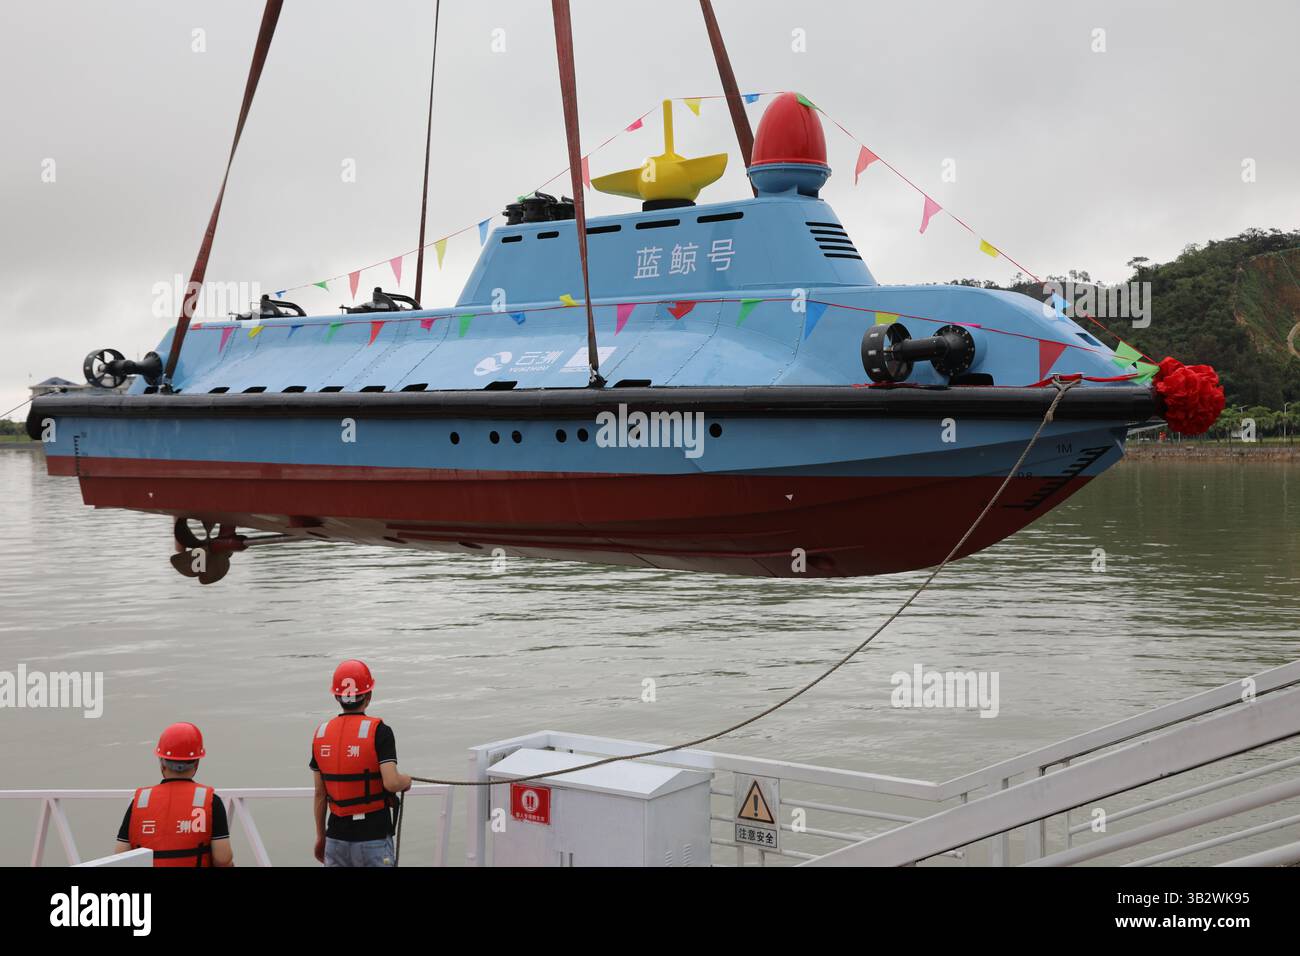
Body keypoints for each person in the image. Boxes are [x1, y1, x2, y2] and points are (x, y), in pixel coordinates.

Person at [311, 659, 412, 866]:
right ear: (368, 695)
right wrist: (406, 781)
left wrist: (321, 836)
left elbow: (320, 793)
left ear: (337, 696)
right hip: (373, 837)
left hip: (336, 838)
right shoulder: (380, 731)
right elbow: (392, 782)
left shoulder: (321, 734)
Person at [115, 721, 233, 867]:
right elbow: (222, 859)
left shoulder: (140, 801)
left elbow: (120, 855)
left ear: (162, 763)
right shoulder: (211, 801)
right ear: (196, 764)